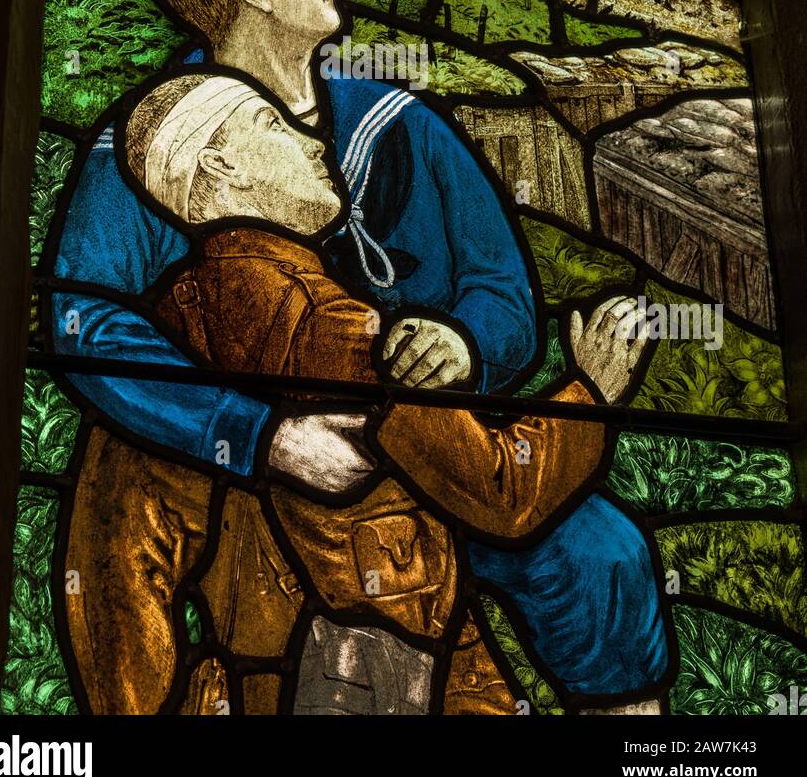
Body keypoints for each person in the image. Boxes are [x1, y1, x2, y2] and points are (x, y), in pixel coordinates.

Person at [52, 0, 669, 713]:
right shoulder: (159, 145)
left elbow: (503, 292)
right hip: (260, 467)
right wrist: (255, 434)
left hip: (438, 439)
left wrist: (465, 347)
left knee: (603, 556)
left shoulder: (395, 121)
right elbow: (85, 322)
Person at [66, 69, 613, 715]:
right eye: (274, 125)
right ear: (222, 167)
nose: (315, 141)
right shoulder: (336, 328)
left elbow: (114, 575)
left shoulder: (168, 342)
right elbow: (503, 494)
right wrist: (592, 392)